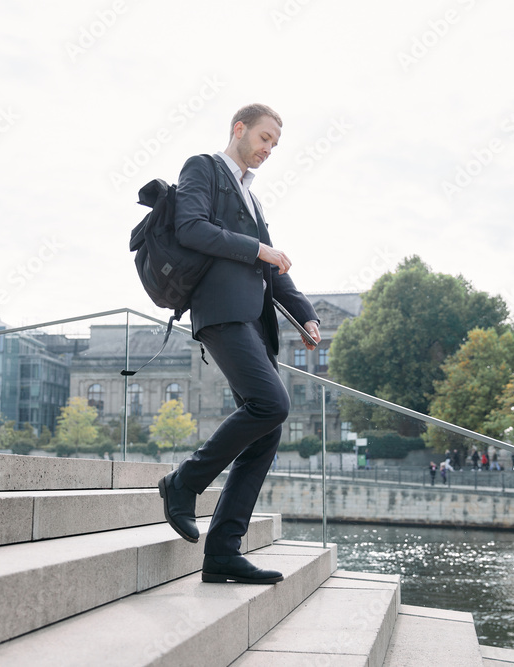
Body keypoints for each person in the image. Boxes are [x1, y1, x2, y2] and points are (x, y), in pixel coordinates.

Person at [157, 104, 321, 585]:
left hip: (254, 320)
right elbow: (190, 227)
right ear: (239, 129)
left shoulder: (252, 198)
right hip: (221, 312)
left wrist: (306, 314)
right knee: (272, 403)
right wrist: (257, 248)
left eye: (275, 144)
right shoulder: (203, 167)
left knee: (266, 430)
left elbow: (272, 269)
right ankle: (183, 483)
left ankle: (224, 552)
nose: (269, 149)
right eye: (265, 138)